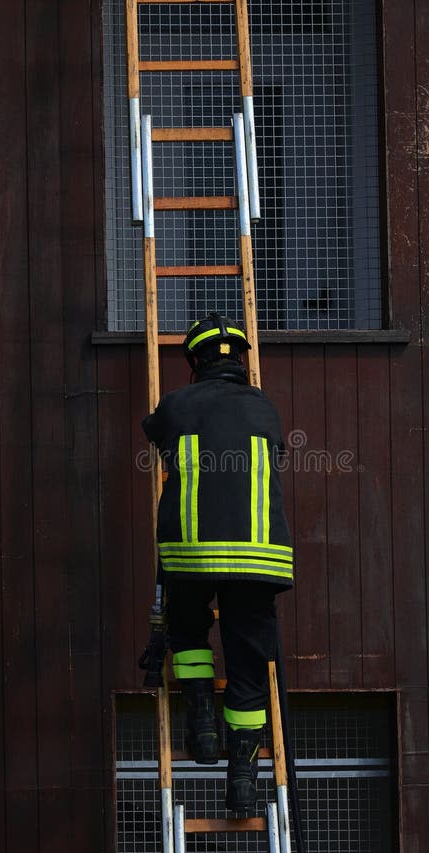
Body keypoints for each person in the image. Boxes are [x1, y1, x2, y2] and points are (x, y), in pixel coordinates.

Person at [142, 312, 293, 814]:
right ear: (242, 362)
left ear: (194, 362)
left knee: (187, 631)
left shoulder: (176, 405)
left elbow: (153, 431)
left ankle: (202, 724)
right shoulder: (266, 409)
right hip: (258, 562)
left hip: (192, 557)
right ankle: (243, 779)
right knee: (248, 661)